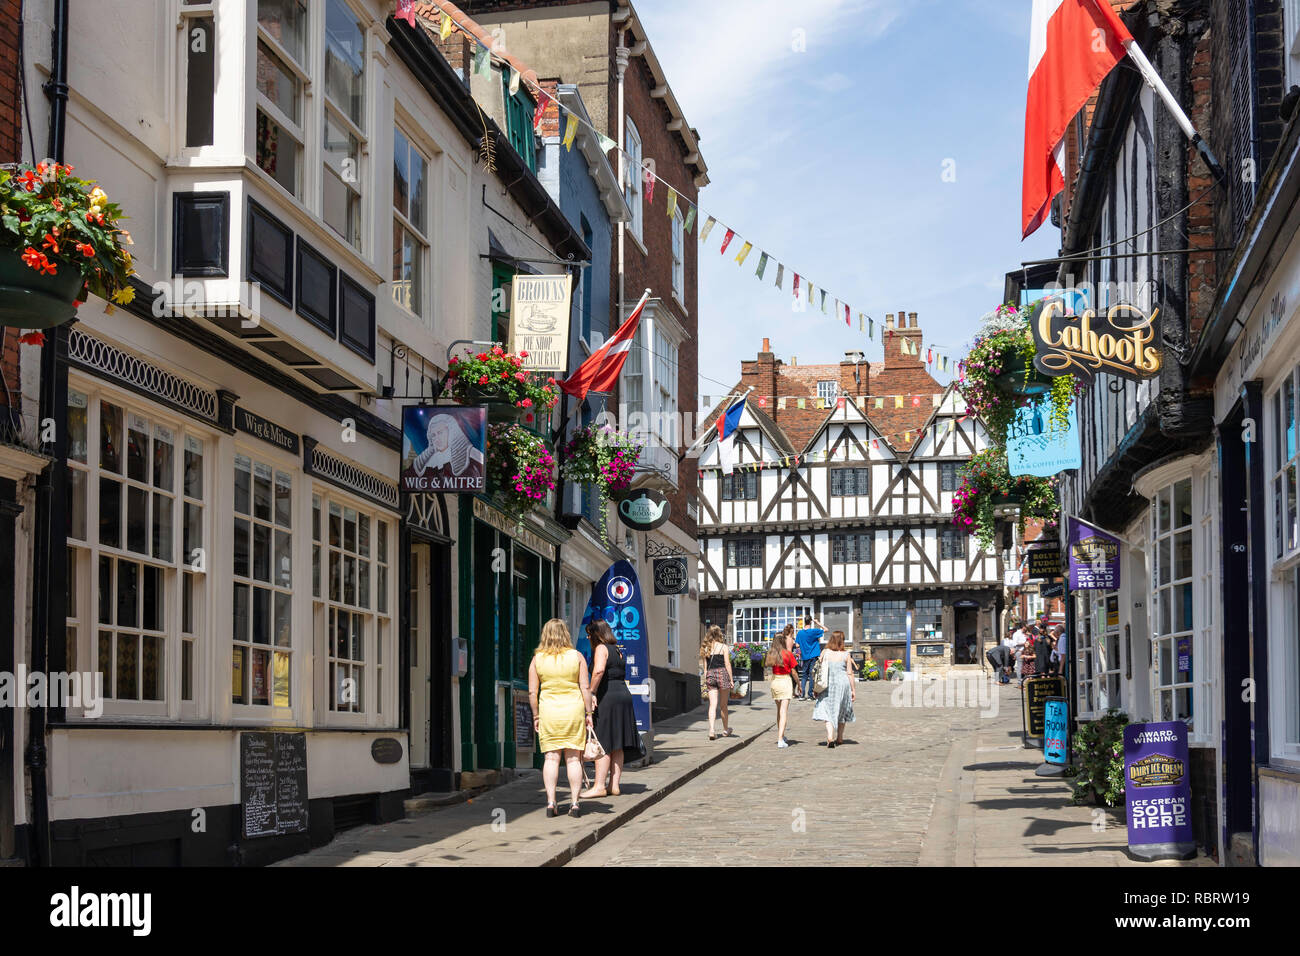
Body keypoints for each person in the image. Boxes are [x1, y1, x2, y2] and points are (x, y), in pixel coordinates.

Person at [527, 619, 594, 817]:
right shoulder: (577, 656)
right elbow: (585, 688)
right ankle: (574, 803)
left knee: (551, 758)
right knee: (573, 759)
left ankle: (551, 803)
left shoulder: (537, 659)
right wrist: (589, 713)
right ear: (566, 634)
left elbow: (532, 692)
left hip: (549, 712)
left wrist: (536, 715)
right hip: (573, 710)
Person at [582, 620, 642, 798]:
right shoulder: (617, 650)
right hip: (623, 695)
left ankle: (599, 786)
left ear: (596, 634)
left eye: (589, 634)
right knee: (618, 743)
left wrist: (591, 692)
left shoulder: (601, 649)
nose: (587, 637)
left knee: (604, 741)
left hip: (608, 697)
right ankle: (614, 786)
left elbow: (599, 671)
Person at [812, 629, 856, 747]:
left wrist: (815, 688)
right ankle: (840, 737)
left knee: (827, 710)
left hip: (827, 684)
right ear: (842, 641)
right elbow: (850, 673)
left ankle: (830, 737)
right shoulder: (846, 654)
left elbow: (818, 670)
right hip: (843, 684)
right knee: (842, 710)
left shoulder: (825, 652)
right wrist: (853, 690)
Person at [699, 625, 737, 741]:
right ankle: (726, 730)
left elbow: (705, 669)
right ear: (719, 634)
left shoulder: (706, 648)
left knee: (712, 705)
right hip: (722, 674)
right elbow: (727, 664)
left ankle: (711, 730)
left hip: (710, 675)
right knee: (723, 705)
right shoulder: (724, 647)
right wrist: (731, 679)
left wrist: (706, 680)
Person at [765, 625, 798, 748]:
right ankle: (780, 739)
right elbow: (794, 672)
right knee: (784, 712)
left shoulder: (771, 654)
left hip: (774, 682)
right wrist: (799, 684)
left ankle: (781, 735)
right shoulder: (788, 654)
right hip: (785, 682)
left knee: (779, 711)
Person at [795, 618, 825, 700]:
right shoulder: (814, 631)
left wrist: (803, 644)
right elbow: (826, 629)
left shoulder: (800, 633)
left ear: (804, 621)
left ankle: (802, 694)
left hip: (805, 656)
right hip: (814, 655)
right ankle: (810, 695)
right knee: (812, 675)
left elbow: (797, 645)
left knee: (804, 676)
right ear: (811, 622)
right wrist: (818, 622)